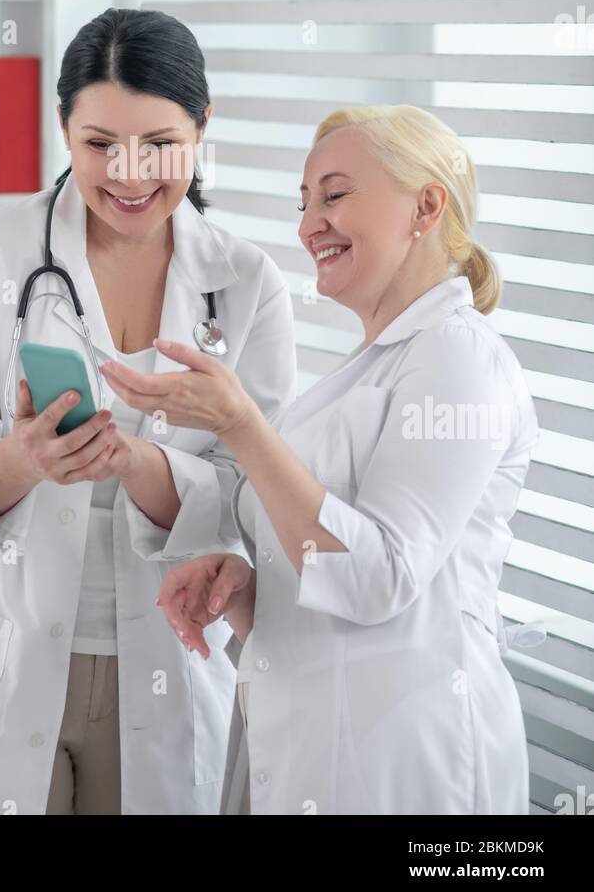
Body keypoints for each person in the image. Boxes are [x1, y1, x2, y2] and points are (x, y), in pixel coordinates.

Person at [0, 7, 297, 816]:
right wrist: (19, 461)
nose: (129, 173)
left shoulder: (247, 282)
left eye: (160, 143)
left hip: (161, 655)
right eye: (99, 145)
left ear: (203, 126)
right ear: (63, 128)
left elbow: (256, 494)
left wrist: (138, 463)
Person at [100, 104, 540, 815]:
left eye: (335, 195)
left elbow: (380, 577)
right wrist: (249, 592)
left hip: (411, 767)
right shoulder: (367, 373)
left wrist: (242, 425)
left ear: (426, 206)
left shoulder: (458, 360)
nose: (308, 226)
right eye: (304, 203)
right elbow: (330, 570)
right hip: (321, 757)